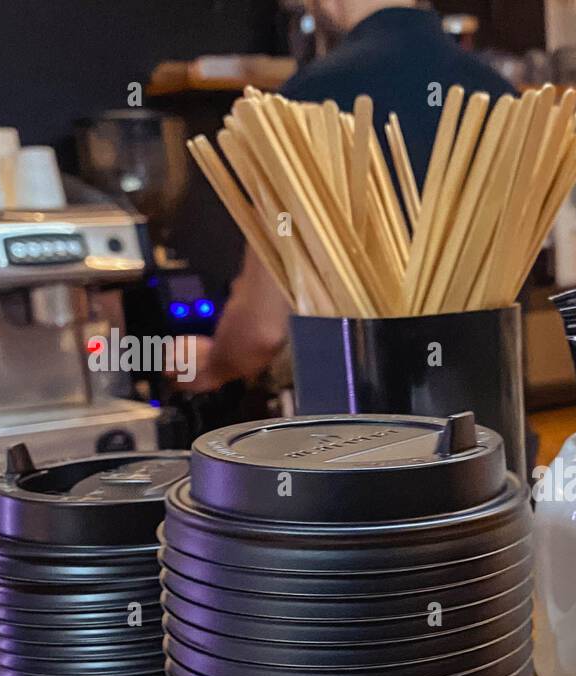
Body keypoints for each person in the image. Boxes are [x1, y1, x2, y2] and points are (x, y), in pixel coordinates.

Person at [184, 1, 514, 392]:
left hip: (363, 439)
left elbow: (262, 329)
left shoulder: (309, 100)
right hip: (495, 435)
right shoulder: (505, 96)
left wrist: (216, 364)